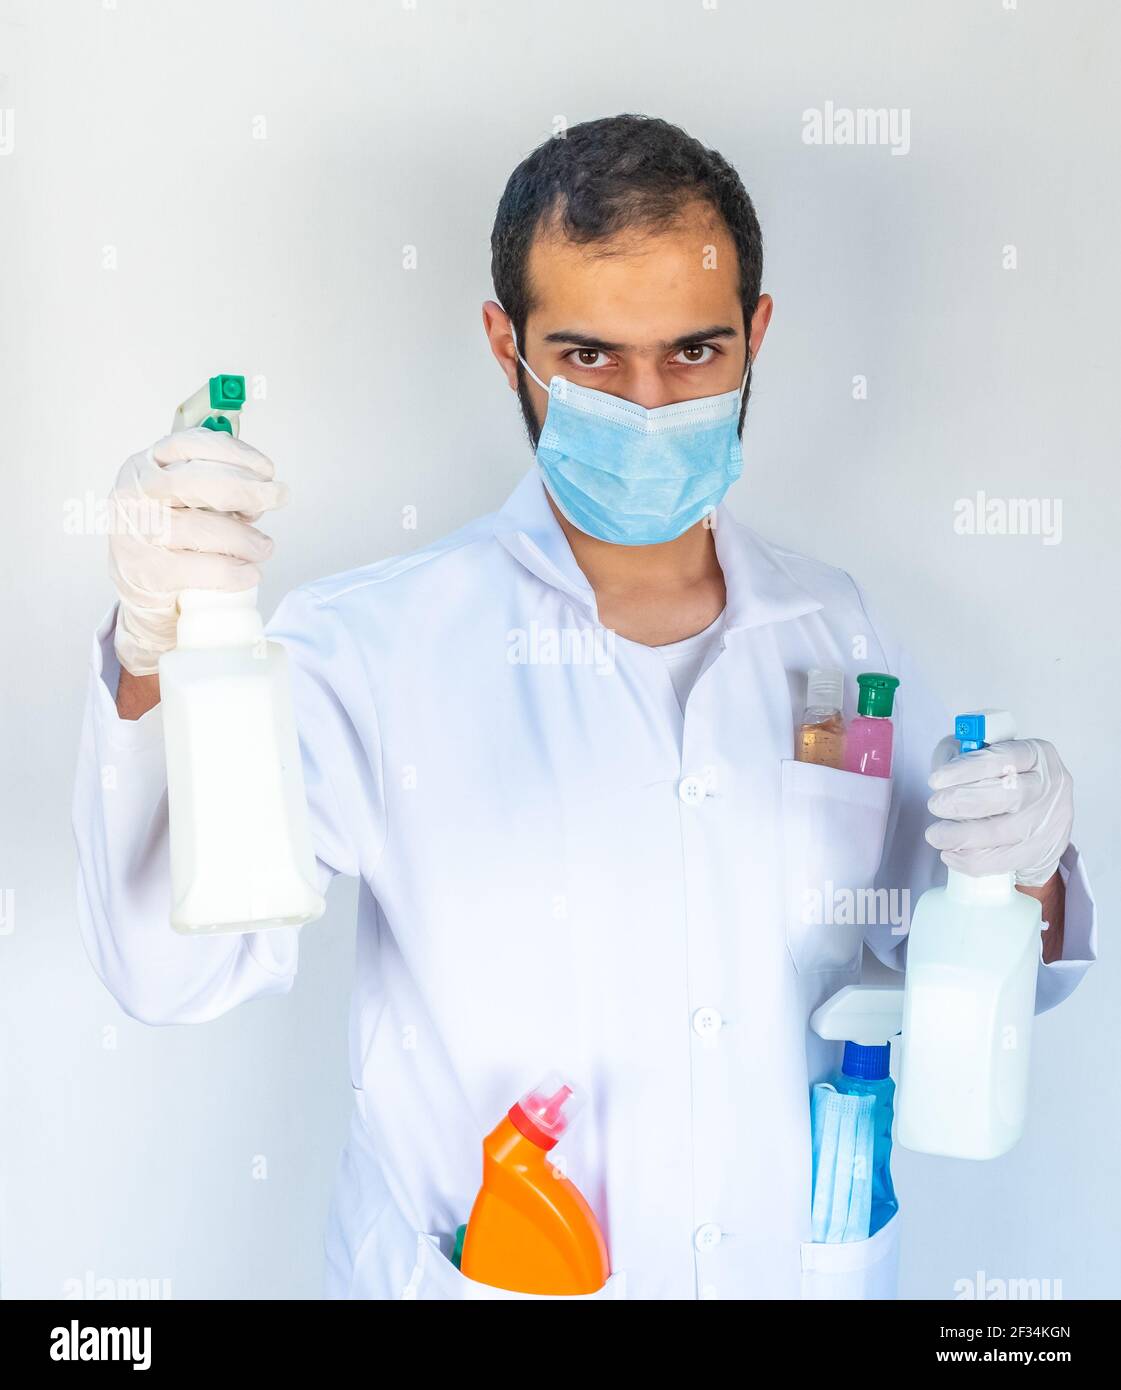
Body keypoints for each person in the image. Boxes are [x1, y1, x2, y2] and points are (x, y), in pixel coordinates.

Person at [73, 114, 1095, 1300]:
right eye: (591, 358)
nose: (649, 403)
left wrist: (1023, 866)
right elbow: (166, 975)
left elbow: (955, 952)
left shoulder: (838, 630)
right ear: (506, 343)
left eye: (694, 353)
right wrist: (156, 654)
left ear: (755, 335)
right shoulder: (371, 643)